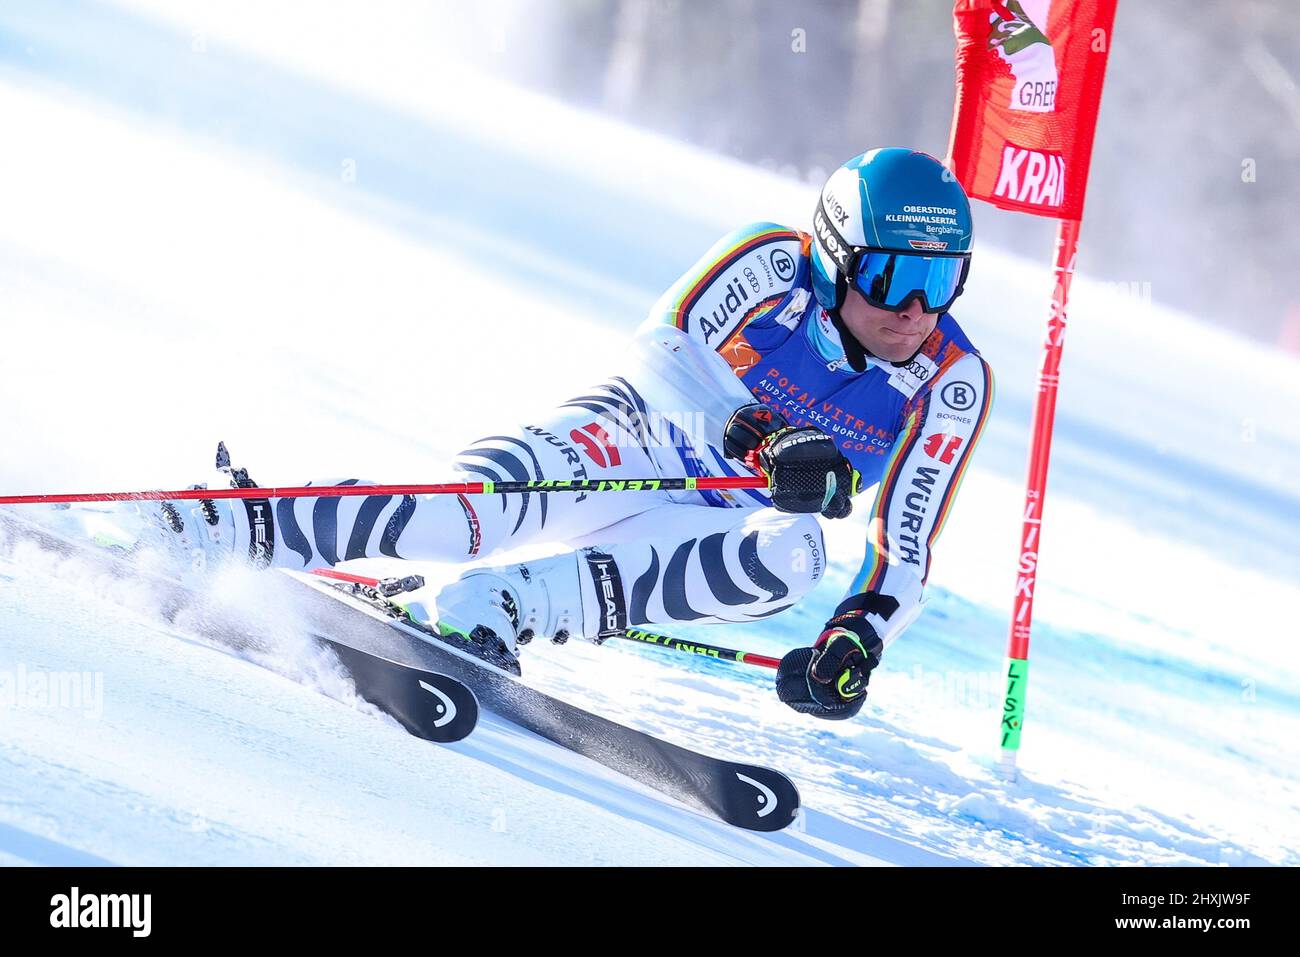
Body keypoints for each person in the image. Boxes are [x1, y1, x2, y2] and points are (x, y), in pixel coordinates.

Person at [147, 147, 995, 721]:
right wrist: (755, 434)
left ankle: (495, 609)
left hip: (706, 520)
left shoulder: (951, 380)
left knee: (796, 552)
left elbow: (906, 545)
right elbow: (663, 348)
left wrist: (857, 637)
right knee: (472, 515)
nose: (916, 310)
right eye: (892, 276)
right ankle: (245, 521)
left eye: (940, 280)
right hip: (641, 433)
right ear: (839, 254)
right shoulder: (773, 260)